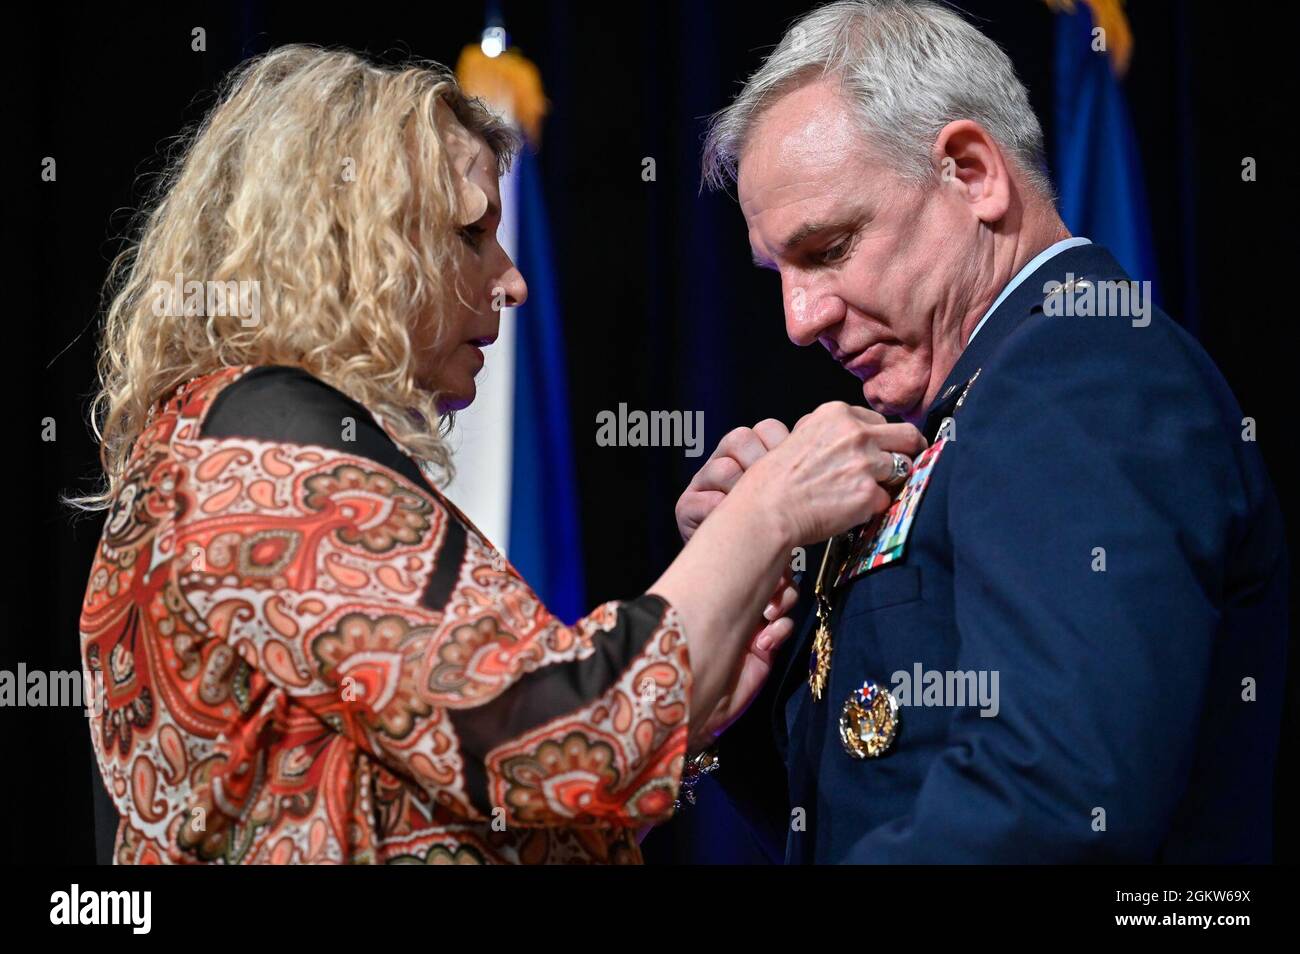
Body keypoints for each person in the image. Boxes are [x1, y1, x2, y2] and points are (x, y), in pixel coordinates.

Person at [74, 44, 920, 864]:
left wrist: (687, 722)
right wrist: (771, 509)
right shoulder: (267, 464)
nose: (511, 279)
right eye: (472, 230)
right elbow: (562, 742)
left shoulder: (234, 443)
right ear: (349, 244)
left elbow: (472, 806)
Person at [679, 0, 1288, 862]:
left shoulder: (1080, 379)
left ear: (972, 173)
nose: (799, 319)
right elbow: (876, 790)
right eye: (779, 271)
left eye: (830, 248)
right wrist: (740, 642)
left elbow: (1052, 804)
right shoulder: (989, 394)